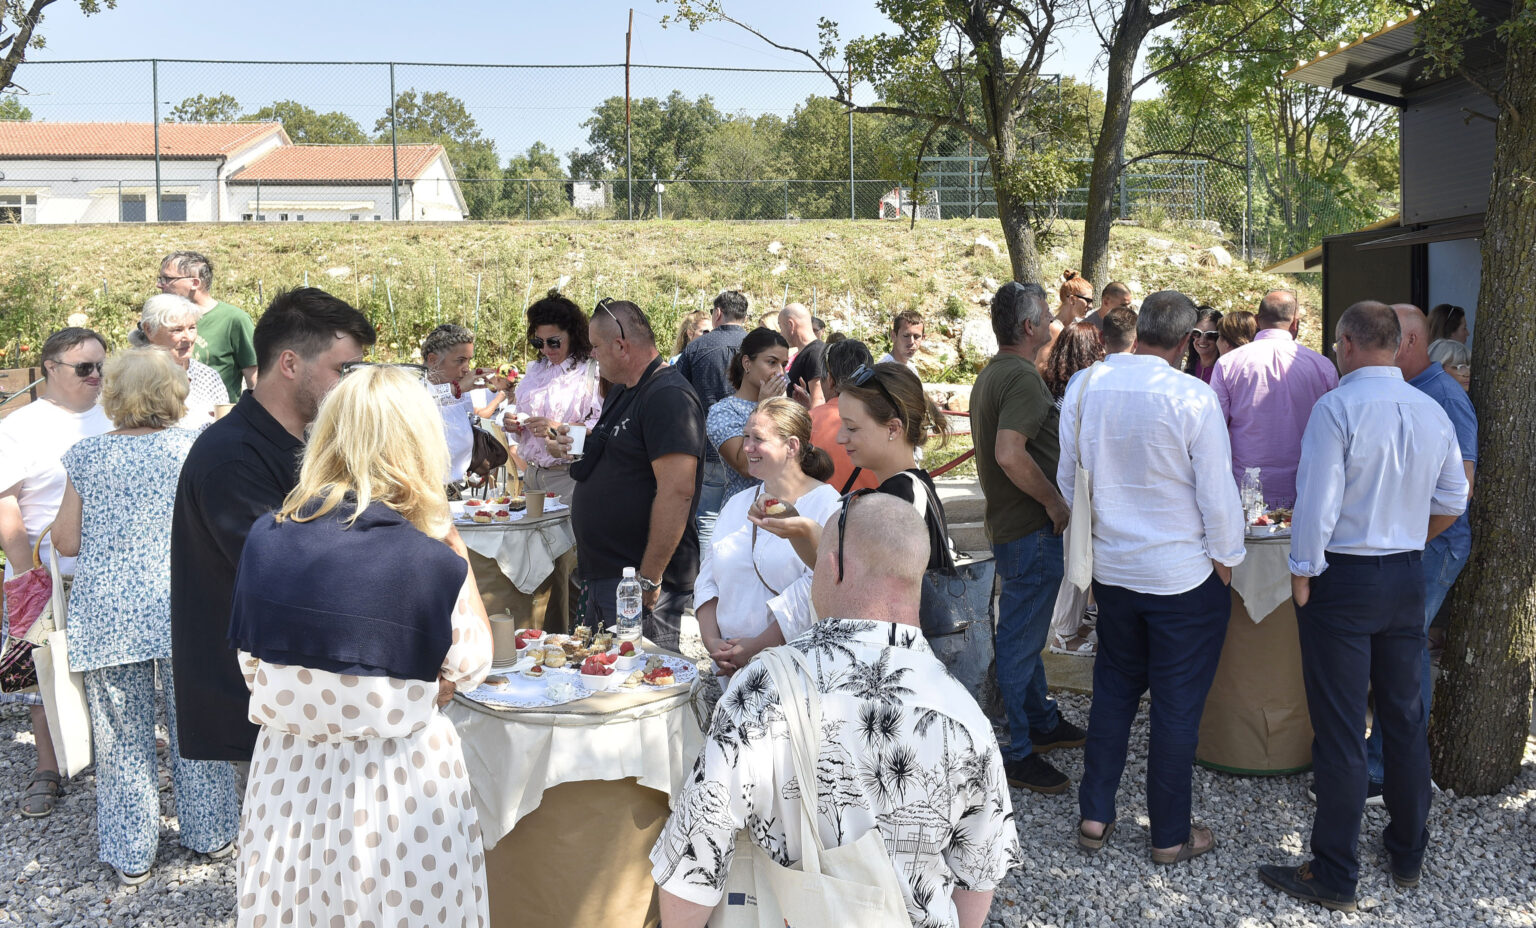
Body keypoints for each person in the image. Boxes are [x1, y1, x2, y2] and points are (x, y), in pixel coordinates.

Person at [651, 493, 1021, 928]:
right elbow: (977, 878)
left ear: (831, 568)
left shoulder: (766, 686)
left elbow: (695, 860)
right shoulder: (963, 713)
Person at [228, 364, 493, 928]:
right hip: (397, 781)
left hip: (290, 775)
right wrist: (451, 540)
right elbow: (469, 663)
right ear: (419, 445)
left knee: (296, 909)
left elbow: (253, 666)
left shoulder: (266, 537)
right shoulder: (429, 558)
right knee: (403, 909)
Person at [1259, 302, 1468, 913]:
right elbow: (1455, 496)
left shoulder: (1338, 407)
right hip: (1404, 572)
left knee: (1343, 728)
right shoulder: (1431, 407)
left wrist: (1302, 573)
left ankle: (1335, 870)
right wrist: (1410, 543)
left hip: (1345, 578)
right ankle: (1407, 850)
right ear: (1398, 345)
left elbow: (1316, 499)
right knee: (1403, 718)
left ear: (1346, 344)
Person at [1060, 290, 1245, 863]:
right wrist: (1227, 562)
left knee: (1114, 692)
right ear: (1190, 341)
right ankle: (1168, 834)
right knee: (1175, 706)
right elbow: (1217, 492)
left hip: (1115, 571)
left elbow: (1070, 482)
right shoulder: (1192, 396)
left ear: (1139, 328)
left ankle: (1095, 815)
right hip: (1181, 575)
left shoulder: (1085, 386)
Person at [52, 348, 239, 885]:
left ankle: (132, 851)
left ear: (112, 397)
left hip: (110, 612)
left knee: (120, 736)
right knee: (197, 726)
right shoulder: (196, 449)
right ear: (175, 396)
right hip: (188, 607)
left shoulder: (86, 455)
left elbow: (66, 541)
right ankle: (210, 833)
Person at [171, 288, 376, 764]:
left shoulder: (304, 440)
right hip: (263, 710)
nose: (351, 385)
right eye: (342, 370)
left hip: (303, 695)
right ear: (289, 363)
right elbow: (288, 576)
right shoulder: (232, 457)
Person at [972, 282, 1090, 794]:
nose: (1050, 322)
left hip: (1015, 526)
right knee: (1020, 640)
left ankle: (1040, 722)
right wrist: (1053, 502)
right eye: (1044, 316)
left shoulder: (997, 372)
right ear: (1028, 327)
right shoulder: (1019, 376)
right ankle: (1015, 751)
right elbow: (1009, 453)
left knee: (1025, 630)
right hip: (1030, 528)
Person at [1358, 305, 1479, 793]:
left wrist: (1411, 541)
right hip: (1416, 543)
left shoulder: (1445, 397)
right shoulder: (1413, 390)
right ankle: (1391, 764)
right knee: (1400, 653)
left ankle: (1387, 769)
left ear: (1406, 343)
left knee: (1403, 655)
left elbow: (1460, 489)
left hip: (1434, 544)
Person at [0, 327, 112, 816]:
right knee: (42, 671)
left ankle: (110, 756)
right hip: (48, 570)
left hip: (109, 566)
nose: (95, 376)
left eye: (100, 367)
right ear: (49, 367)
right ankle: (47, 766)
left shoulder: (115, 414)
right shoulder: (22, 426)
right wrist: (28, 576)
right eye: (83, 368)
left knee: (111, 665)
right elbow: (6, 505)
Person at [549, 299, 705, 650]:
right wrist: (573, 441)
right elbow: (621, 447)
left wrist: (648, 579)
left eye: (596, 346)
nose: (591, 354)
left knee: (639, 689)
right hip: (609, 574)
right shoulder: (624, 389)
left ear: (621, 345)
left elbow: (678, 491)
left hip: (638, 582)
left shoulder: (668, 397)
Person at [696, 397, 839, 677]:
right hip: (729, 668)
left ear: (792, 446)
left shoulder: (827, 504)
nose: (747, 447)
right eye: (745, 436)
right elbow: (707, 576)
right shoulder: (738, 503)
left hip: (792, 669)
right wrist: (713, 643)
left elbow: (815, 587)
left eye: (758, 439)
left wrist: (758, 646)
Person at [1210, 290, 1338, 507]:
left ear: (1258, 321)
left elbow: (1214, 428)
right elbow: (1335, 433)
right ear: (1295, 323)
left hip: (1246, 490)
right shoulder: (1322, 366)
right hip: (1306, 489)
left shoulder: (1228, 364)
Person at [836, 361, 952, 565]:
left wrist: (808, 534)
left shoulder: (895, 499)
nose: (840, 438)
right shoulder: (916, 485)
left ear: (893, 429)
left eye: (851, 428)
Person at [503, 291, 603, 500]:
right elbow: (525, 423)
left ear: (573, 335)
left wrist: (557, 428)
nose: (546, 349)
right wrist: (515, 425)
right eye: (538, 343)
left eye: (554, 342)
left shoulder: (591, 372)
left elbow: (601, 425)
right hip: (533, 476)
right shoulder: (536, 370)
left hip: (570, 478)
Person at [675, 291, 751, 548]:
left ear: (717, 313)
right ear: (745, 315)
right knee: (746, 516)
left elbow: (677, 392)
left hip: (707, 442)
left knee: (707, 517)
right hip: (750, 444)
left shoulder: (696, 347)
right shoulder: (757, 347)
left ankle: (708, 582)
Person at [705, 327, 789, 506]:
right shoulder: (724, 411)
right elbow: (745, 465)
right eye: (772, 362)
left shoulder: (784, 406)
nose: (780, 372)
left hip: (784, 508)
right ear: (747, 363)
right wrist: (764, 409)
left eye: (784, 364)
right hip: (743, 512)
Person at [422, 324, 512, 488]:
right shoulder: (412, 389)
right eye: (460, 361)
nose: (466, 369)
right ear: (433, 360)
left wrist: (474, 462)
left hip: (454, 490)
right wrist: (457, 388)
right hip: (423, 493)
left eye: (469, 360)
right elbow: (419, 401)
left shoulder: (460, 393)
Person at [158, 250, 256, 402]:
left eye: (167, 279)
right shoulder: (161, 319)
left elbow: (254, 381)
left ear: (195, 283)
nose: (159, 285)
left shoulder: (234, 320)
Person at [136, 293, 229, 429]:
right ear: (149, 330)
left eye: (192, 328)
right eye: (177, 330)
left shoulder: (208, 377)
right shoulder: (133, 378)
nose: (189, 338)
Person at [810, 339, 880, 495]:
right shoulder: (885, 418)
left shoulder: (808, 421)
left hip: (824, 516)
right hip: (876, 512)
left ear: (830, 380)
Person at [1036, 270, 1095, 368]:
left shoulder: (1071, 327)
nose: (1091, 306)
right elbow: (1040, 366)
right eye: (1087, 301)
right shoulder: (1054, 329)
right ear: (1072, 299)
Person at [1042, 321, 1106, 406]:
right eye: (1098, 347)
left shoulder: (1050, 392)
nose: (1103, 352)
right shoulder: (1073, 401)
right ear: (1086, 353)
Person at [780, 301, 827, 407]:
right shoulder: (808, 352)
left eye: (781, 327)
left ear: (790, 325)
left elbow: (818, 400)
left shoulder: (815, 353)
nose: (781, 332)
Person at [1182, 305, 1222, 382]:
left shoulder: (1223, 371)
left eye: (1210, 334)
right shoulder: (1189, 366)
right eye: (1196, 333)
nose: (1202, 340)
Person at [877, 309, 925, 373]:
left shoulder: (912, 369)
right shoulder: (884, 371)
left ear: (923, 338)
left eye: (916, 337)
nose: (911, 342)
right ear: (893, 336)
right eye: (906, 336)